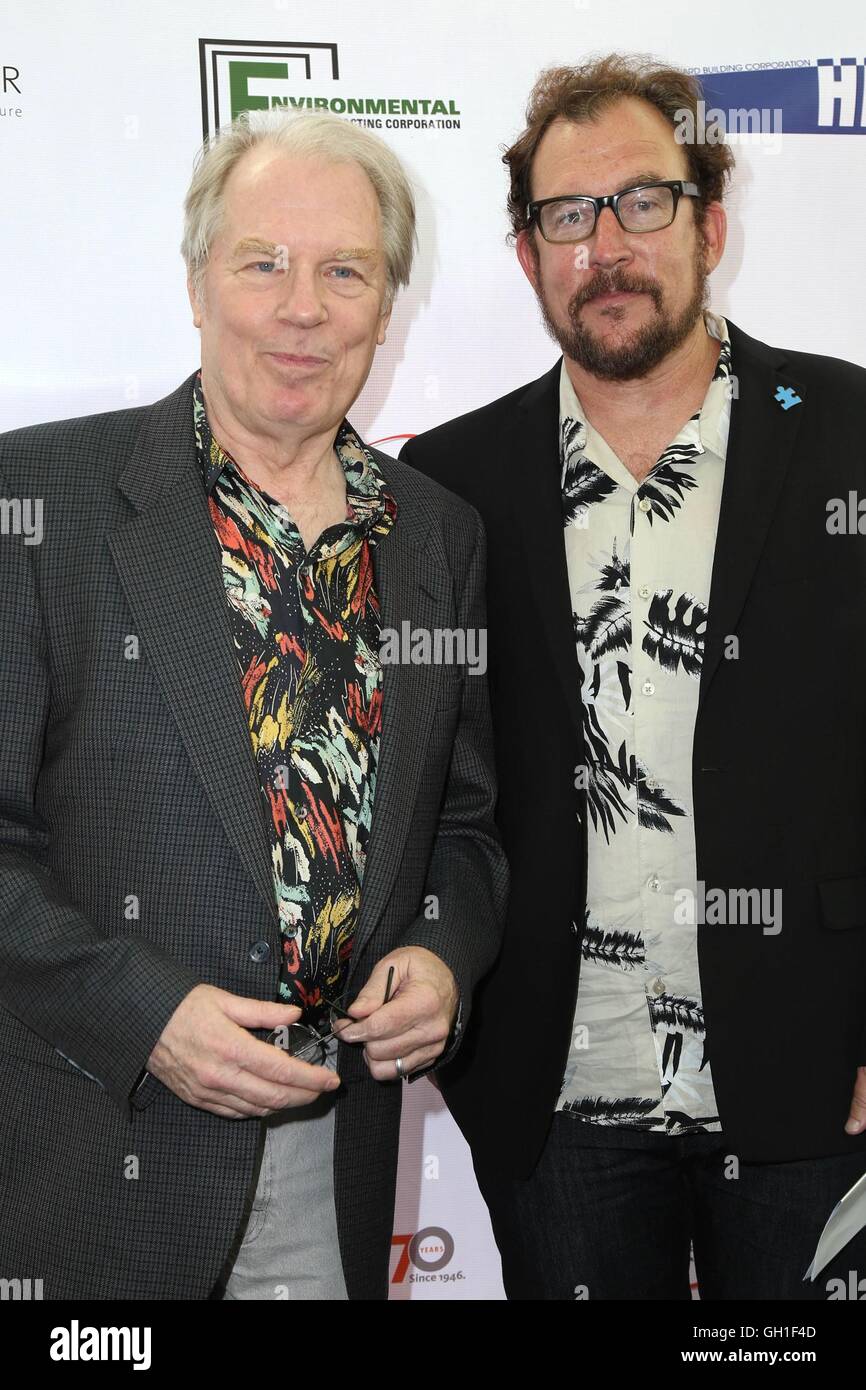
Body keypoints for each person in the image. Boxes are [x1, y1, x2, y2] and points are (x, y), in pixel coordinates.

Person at [0, 108, 506, 1300]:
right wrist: (147, 1013)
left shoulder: (436, 535)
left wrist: (441, 954)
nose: (301, 307)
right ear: (196, 283)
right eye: (262, 263)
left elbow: (465, 827)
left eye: (345, 272)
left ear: (384, 309)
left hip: (336, 1167)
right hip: (88, 1160)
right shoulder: (39, 502)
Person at [400, 54, 866, 1300]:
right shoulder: (446, 485)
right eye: (567, 214)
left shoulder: (845, 430)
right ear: (526, 252)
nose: (605, 244)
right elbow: (429, 778)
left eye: (642, 202)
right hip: (558, 1099)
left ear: (709, 222)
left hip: (814, 1080)